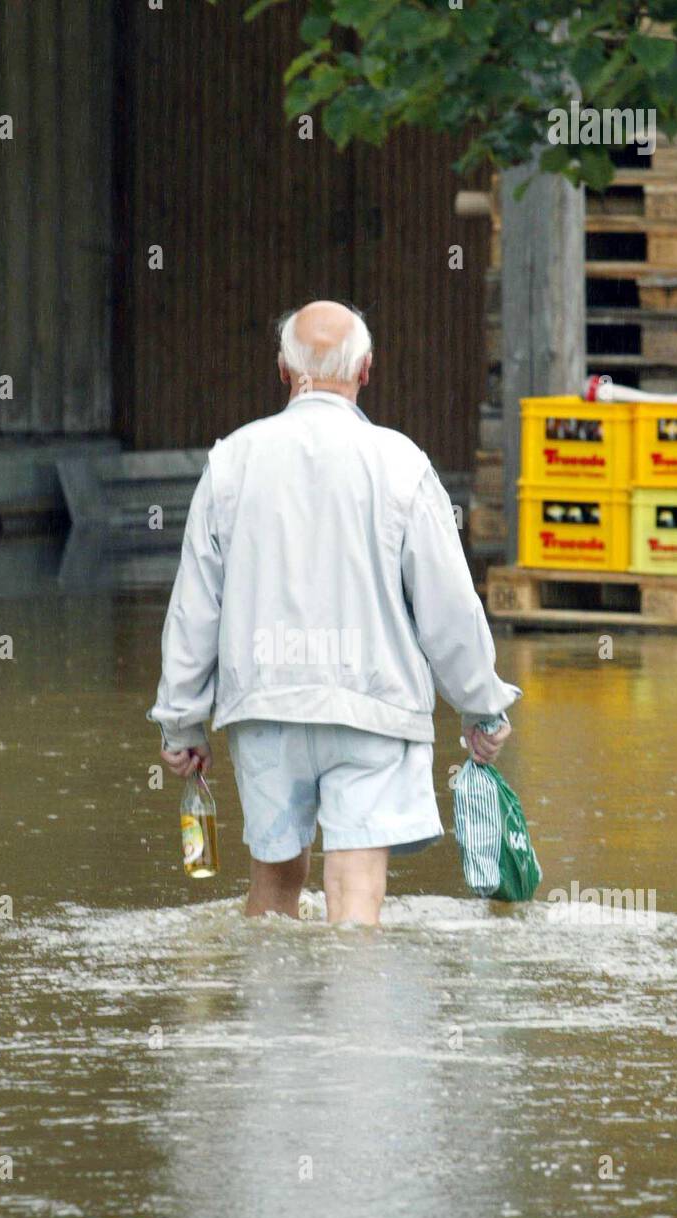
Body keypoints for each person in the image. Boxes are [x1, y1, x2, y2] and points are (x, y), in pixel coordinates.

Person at [149, 300, 520, 925]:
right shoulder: (403, 464)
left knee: (272, 886)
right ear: (367, 370)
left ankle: (276, 1016)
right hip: (373, 708)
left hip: (266, 703)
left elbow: (194, 610)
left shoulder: (230, 463)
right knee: (355, 887)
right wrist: (481, 705)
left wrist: (182, 723)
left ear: (283, 370)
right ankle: (359, 1016)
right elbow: (448, 605)